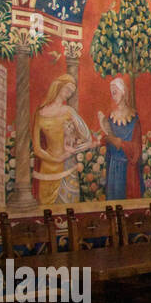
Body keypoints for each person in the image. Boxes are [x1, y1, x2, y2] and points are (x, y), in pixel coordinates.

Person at [32, 73, 92, 205]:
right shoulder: (40, 113)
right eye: (68, 89)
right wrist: (56, 159)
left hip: (67, 168)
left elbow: (87, 139)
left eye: (72, 92)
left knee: (69, 211)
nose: (69, 94)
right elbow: (37, 149)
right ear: (58, 86)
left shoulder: (68, 111)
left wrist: (72, 151)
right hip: (46, 169)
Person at [98, 77, 143, 200]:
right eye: (111, 93)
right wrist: (104, 140)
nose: (113, 96)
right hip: (113, 168)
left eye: (115, 92)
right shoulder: (111, 117)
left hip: (128, 169)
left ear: (123, 92)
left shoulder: (134, 119)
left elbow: (136, 149)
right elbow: (107, 138)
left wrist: (120, 143)